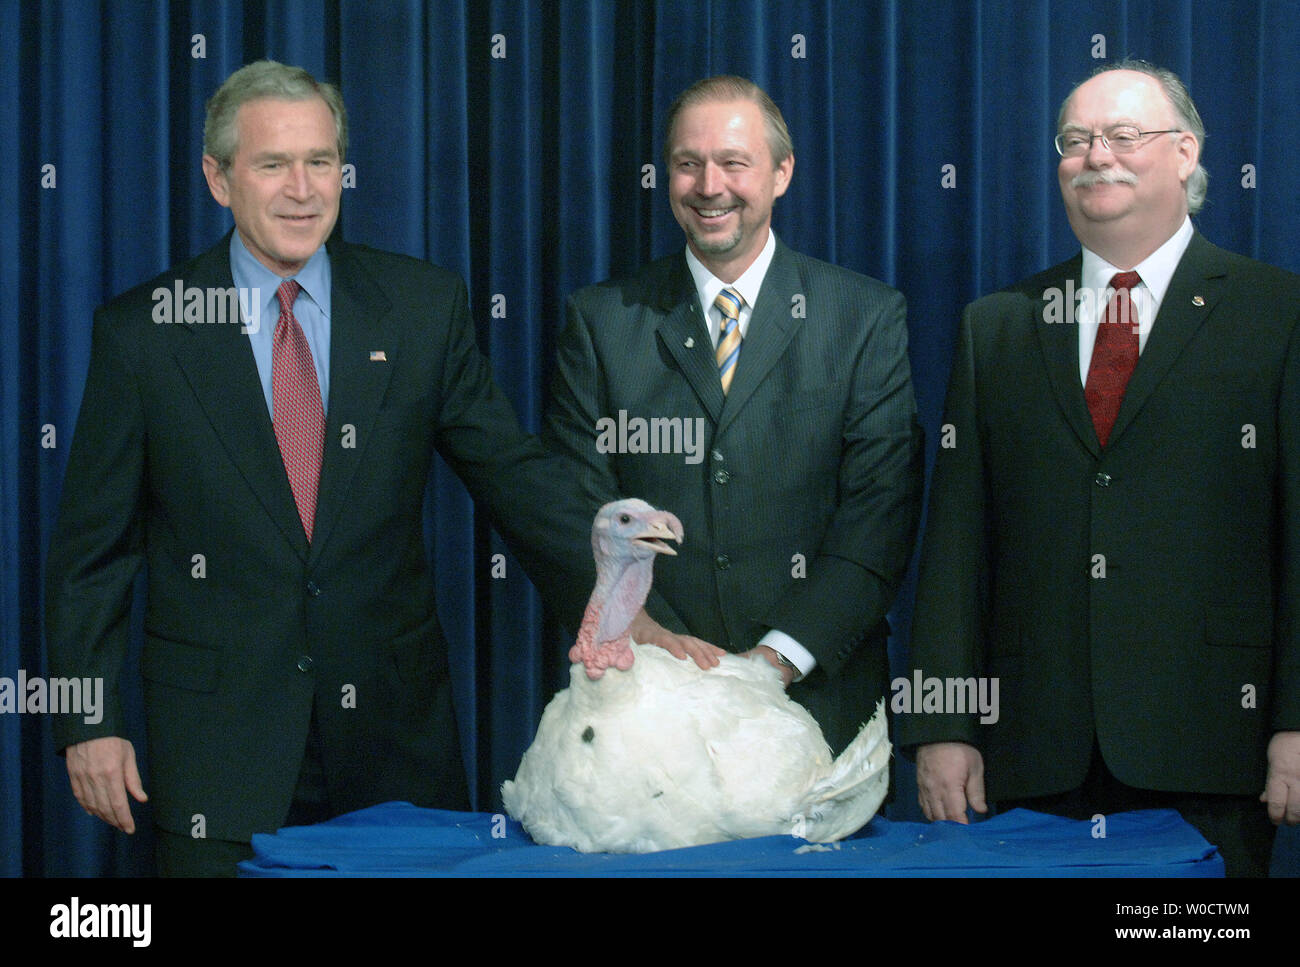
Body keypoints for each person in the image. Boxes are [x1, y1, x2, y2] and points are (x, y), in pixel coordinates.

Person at [44, 60, 589, 875]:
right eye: (272, 164)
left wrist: (619, 594)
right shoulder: (142, 333)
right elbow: (93, 553)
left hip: (396, 746)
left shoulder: (421, 307)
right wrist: (88, 718)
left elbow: (513, 473)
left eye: (321, 162)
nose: (303, 189)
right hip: (218, 757)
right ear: (218, 178)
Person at [903, 59, 1300, 875]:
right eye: (1075, 140)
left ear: (1186, 153)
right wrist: (944, 722)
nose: (1095, 156)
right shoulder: (999, 327)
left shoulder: (1278, 313)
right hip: (1031, 759)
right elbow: (956, 547)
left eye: (1123, 136)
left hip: (1212, 751)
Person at [544, 75, 924, 756]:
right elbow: (579, 505)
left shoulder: (864, 317)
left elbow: (880, 517)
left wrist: (769, 665)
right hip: (644, 710)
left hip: (816, 711)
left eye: (734, 162)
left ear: (782, 173)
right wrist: (649, 639)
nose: (709, 185)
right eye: (688, 164)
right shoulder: (601, 321)